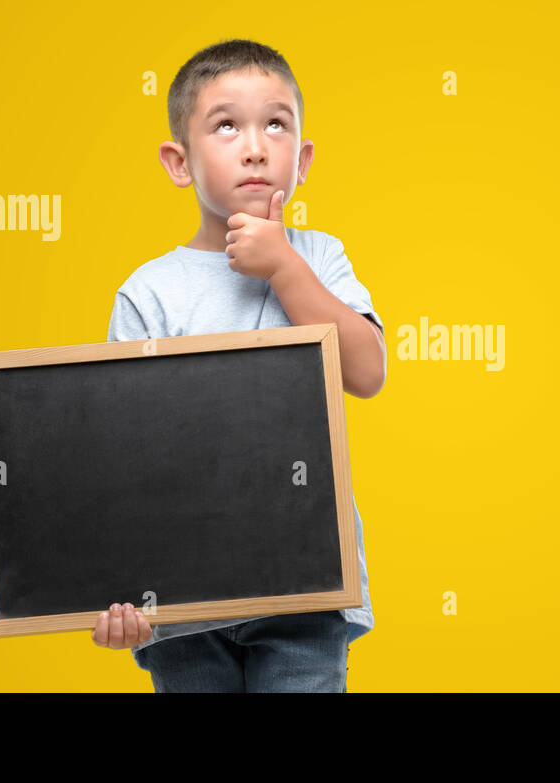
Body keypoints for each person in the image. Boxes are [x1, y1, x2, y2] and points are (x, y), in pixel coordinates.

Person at [88, 38, 386, 693]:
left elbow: (366, 371)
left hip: (303, 590)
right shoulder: (149, 291)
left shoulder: (319, 257)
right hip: (182, 601)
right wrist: (117, 587)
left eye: (275, 124)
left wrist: (285, 266)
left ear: (302, 159)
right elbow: (121, 457)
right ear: (179, 161)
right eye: (226, 125)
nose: (254, 146)